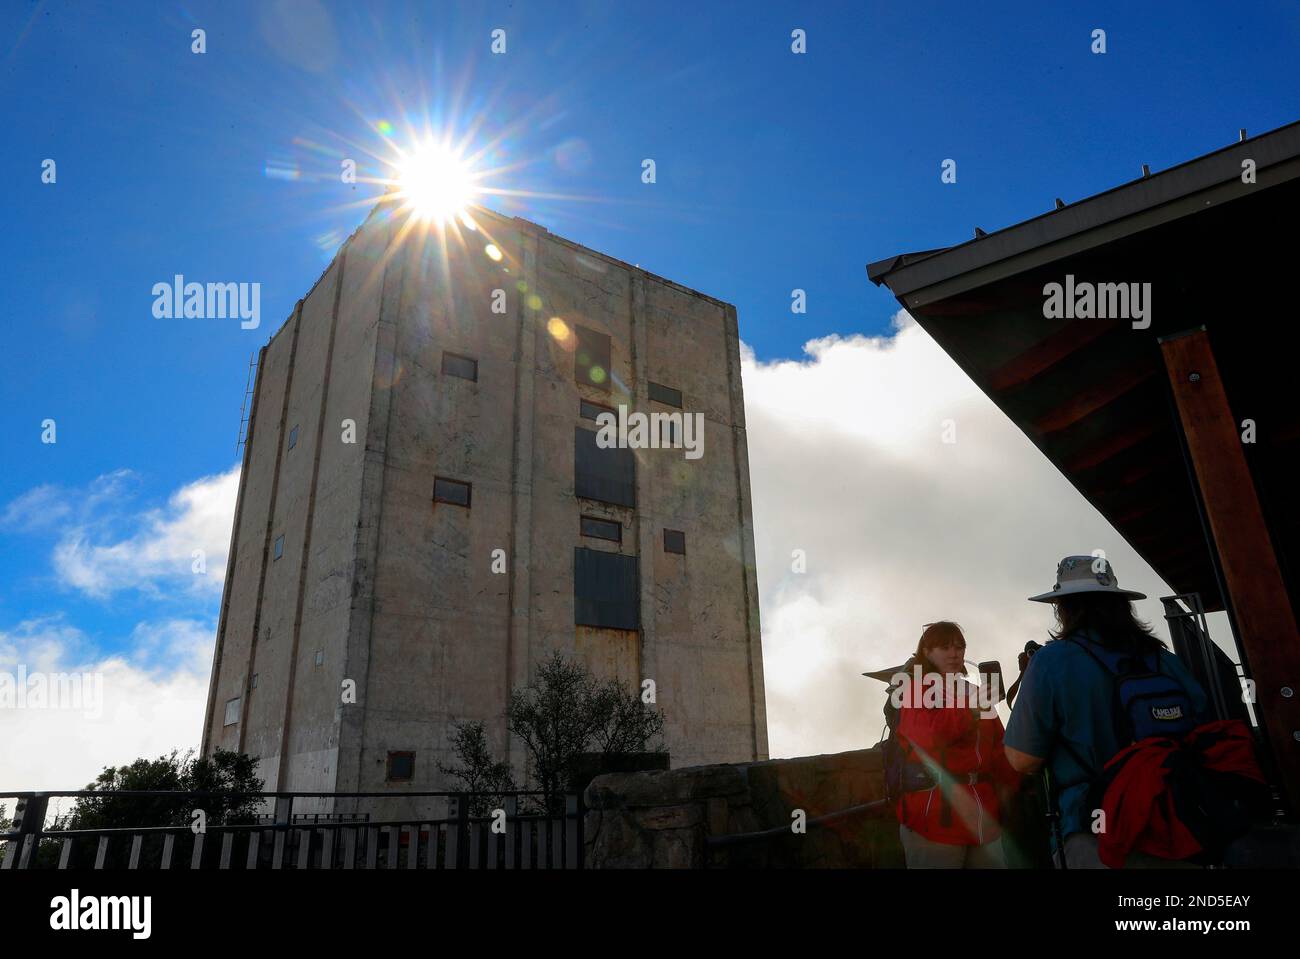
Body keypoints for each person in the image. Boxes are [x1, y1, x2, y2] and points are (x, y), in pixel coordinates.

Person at [1003, 555, 1211, 868]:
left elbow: (1022, 759)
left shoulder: (1052, 661)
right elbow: (1202, 727)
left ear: (1064, 607)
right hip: (1177, 820)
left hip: (1096, 829)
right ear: (1120, 604)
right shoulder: (1162, 659)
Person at [892, 621, 1019, 868]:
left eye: (959, 647)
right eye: (944, 647)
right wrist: (969, 710)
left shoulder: (974, 691)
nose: (954, 653)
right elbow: (930, 738)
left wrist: (1010, 787)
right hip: (935, 817)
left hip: (984, 818)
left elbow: (998, 747)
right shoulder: (915, 691)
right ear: (927, 652)